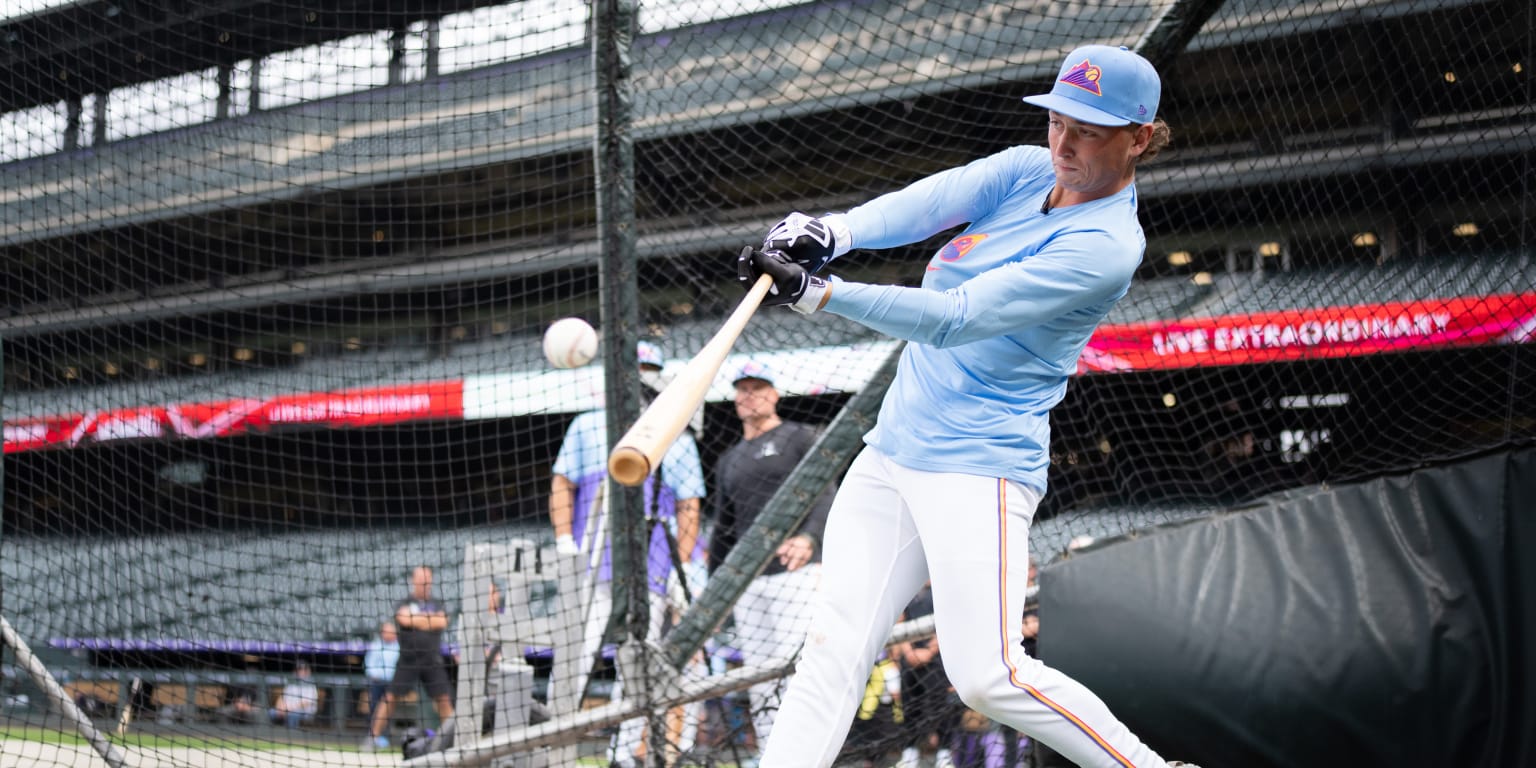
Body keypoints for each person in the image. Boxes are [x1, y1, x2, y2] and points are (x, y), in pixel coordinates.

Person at [736, 44, 1198, 768]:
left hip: (978, 467)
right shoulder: (1028, 169)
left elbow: (954, 317)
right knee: (831, 647)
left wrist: (820, 292)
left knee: (988, 675)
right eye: (1058, 122)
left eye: (1088, 132)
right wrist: (835, 232)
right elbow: (929, 204)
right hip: (893, 452)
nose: (1064, 144)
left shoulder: (1106, 245)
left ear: (1139, 139)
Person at [548, 340, 707, 767]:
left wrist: (684, 565)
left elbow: (689, 505)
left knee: (636, 667)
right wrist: (564, 540)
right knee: (575, 658)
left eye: (650, 372)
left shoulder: (676, 435)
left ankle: (623, 755)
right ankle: (552, 747)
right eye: (635, 371)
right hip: (592, 565)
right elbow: (562, 483)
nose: (641, 381)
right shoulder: (588, 424)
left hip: (652, 572)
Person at [710, 360, 832, 752]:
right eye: (742, 389)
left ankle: (809, 753)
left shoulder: (798, 436)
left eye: (758, 388)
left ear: (774, 394)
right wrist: (715, 596)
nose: (749, 396)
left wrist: (810, 538)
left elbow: (826, 491)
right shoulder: (728, 459)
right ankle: (772, 755)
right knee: (760, 679)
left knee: (798, 669)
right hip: (749, 581)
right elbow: (723, 530)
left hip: (795, 572)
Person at [368, 566, 455, 750]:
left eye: (427, 578)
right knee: (390, 697)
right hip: (408, 659)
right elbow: (404, 619)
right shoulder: (404, 602)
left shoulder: (437, 603)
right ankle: (373, 737)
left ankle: (453, 740)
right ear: (413, 580)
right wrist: (429, 620)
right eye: (420, 578)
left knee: (443, 699)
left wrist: (417, 619)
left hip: (432, 660)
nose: (424, 582)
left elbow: (442, 621)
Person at [363, 621, 400, 735]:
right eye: (385, 631)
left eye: (391, 631)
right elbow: (369, 664)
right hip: (378, 681)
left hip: (393, 683)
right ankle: (372, 733)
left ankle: (385, 734)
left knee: (389, 707)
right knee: (374, 706)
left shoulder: (400, 647)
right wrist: (375, 675)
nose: (388, 634)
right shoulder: (376, 645)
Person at [271, 662, 320, 730]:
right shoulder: (291, 683)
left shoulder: (311, 685)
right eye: (299, 670)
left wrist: (289, 709)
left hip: (304, 711)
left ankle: (292, 733)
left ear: (308, 672)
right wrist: (279, 708)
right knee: (271, 712)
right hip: (287, 709)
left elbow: (306, 703)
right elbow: (282, 697)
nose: (301, 672)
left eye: (303, 670)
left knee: (292, 715)